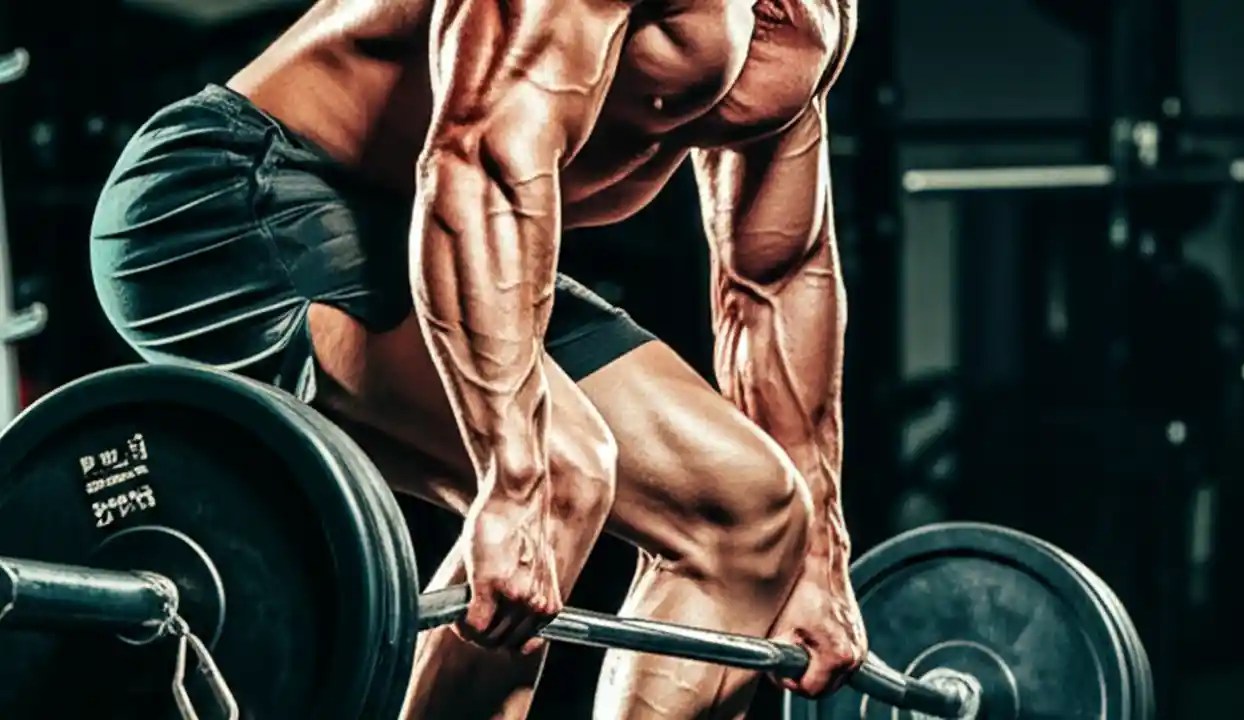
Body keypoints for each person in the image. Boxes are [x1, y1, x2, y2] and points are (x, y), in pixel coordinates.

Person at [89, 0, 865, 716]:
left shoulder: (822, 17)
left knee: (750, 512)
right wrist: (516, 476)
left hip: (424, 226)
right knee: (561, 470)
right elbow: (481, 160)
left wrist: (821, 555)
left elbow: (777, 271)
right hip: (230, 196)